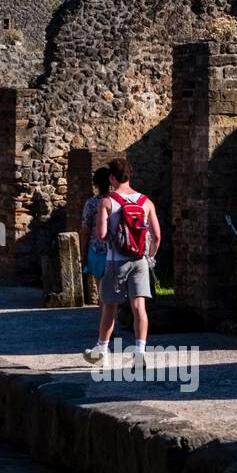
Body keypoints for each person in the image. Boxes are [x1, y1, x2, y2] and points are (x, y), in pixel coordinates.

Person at [84, 157, 161, 368]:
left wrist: (115, 242)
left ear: (111, 178)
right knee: (139, 306)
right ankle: (140, 352)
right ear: (129, 176)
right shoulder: (146, 202)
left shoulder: (107, 201)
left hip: (116, 260)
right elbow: (156, 236)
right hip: (140, 261)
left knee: (110, 306)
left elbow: (100, 234)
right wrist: (149, 256)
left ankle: (102, 349)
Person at [79, 167, 112, 304]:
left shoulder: (91, 203)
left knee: (102, 293)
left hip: (97, 249)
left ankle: (105, 320)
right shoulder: (117, 202)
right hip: (116, 250)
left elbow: (86, 230)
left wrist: (83, 252)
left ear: (96, 184)